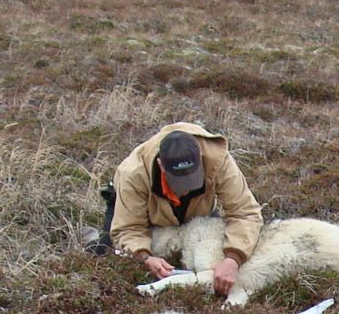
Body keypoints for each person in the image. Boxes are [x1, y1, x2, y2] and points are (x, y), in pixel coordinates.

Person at [109, 123, 265, 297]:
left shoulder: (218, 161)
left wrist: (233, 259)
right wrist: (145, 257)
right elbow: (128, 229)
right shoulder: (133, 174)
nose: (186, 189)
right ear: (161, 165)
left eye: (192, 178)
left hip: (197, 215)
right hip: (143, 216)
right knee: (107, 254)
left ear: (200, 159)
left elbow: (245, 213)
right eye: (178, 181)